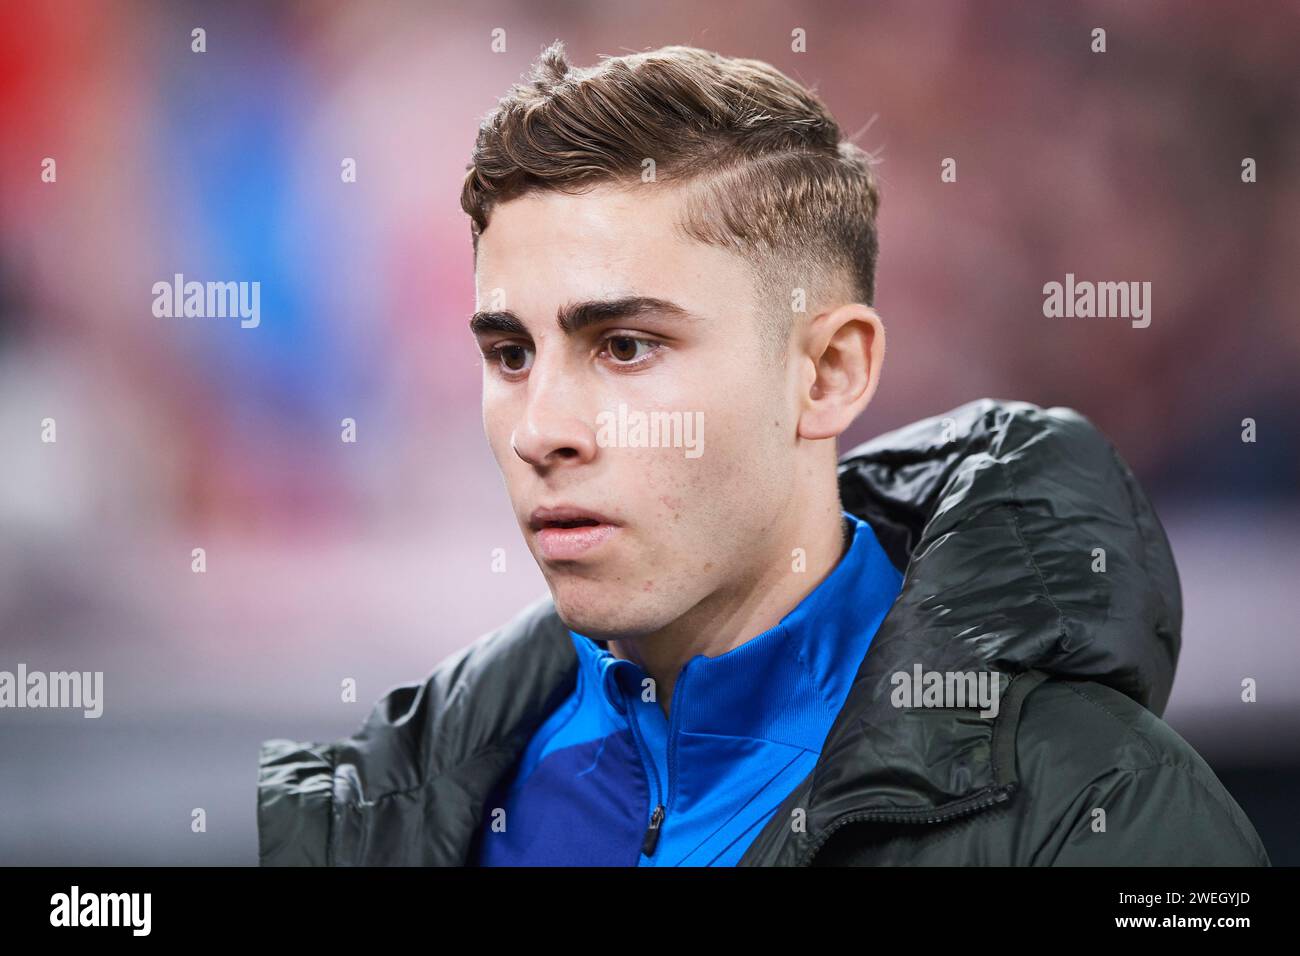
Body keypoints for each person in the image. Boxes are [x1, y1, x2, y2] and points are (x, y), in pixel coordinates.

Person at [257, 41, 1269, 866]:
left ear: (826, 372)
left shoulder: (1102, 812)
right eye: (510, 353)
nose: (539, 428)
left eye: (625, 346)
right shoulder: (386, 805)